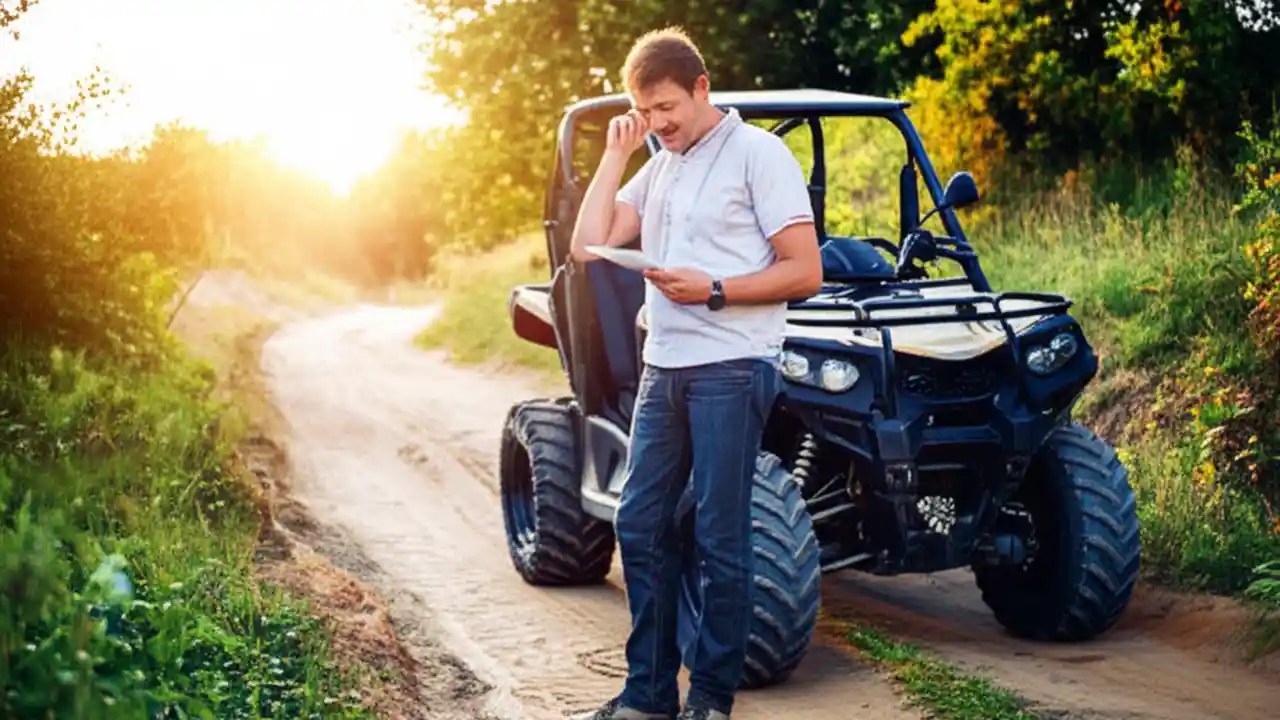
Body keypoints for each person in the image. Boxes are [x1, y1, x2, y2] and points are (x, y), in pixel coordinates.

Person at [568, 26, 822, 720]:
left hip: (732, 368)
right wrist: (617, 154)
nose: (658, 124)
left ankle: (709, 699)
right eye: (645, 113)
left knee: (719, 535)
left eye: (667, 110)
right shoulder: (661, 162)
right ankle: (647, 695)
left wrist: (712, 289)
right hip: (665, 367)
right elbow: (589, 247)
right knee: (642, 523)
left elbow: (805, 271)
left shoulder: (758, 155)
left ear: (702, 88)